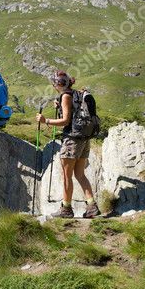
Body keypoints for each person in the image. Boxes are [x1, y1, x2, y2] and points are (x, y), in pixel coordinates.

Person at [36, 71, 100, 219]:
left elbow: (65, 121)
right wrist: (60, 106)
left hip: (72, 140)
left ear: (55, 84)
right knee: (79, 174)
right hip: (84, 139)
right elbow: (74, 114)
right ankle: (91, 206)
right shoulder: (75, 94)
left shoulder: (66, 96)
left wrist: (46, 120)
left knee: (67, 175)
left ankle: (66, 208)